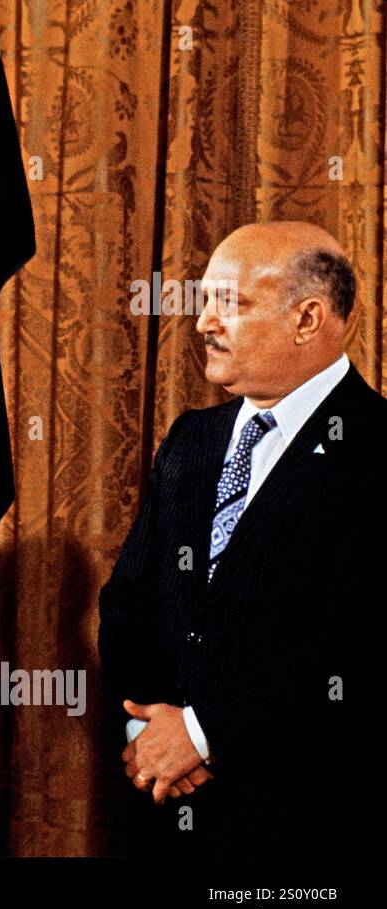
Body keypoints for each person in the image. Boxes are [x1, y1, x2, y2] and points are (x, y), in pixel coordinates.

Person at [98, 221, 383, 856]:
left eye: (230, 302)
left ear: (307, 318)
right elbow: (128, 604)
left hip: (308, 821)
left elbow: (356, 645)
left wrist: (202, 734)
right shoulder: (192, 440)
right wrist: (154, 731)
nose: (203, 323)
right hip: (167, 802)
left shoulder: (378, 450)